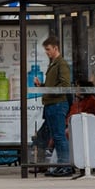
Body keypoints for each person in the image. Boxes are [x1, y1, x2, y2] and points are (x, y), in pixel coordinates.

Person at [36, 35, 73, 177]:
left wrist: (48, 90)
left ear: (56, 48)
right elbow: (55, 84)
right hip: (51, 103)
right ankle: (60, 165)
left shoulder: (61, 64)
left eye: (48, 49)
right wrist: (43, 86)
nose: (47, 52)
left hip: (58, 103)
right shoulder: (53, 64)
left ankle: (65, 166)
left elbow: (64, 84)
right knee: (56, 136)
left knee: (59, 136)